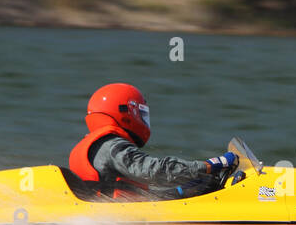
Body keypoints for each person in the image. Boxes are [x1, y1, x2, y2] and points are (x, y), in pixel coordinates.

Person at [67, 83, 237, 201]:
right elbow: (154, 171)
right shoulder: (111, 146)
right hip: (125, 217)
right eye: (141, 114)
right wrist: (208, 165)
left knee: (198, 186)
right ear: (126, 113)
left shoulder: (95, 144)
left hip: (123, 212)